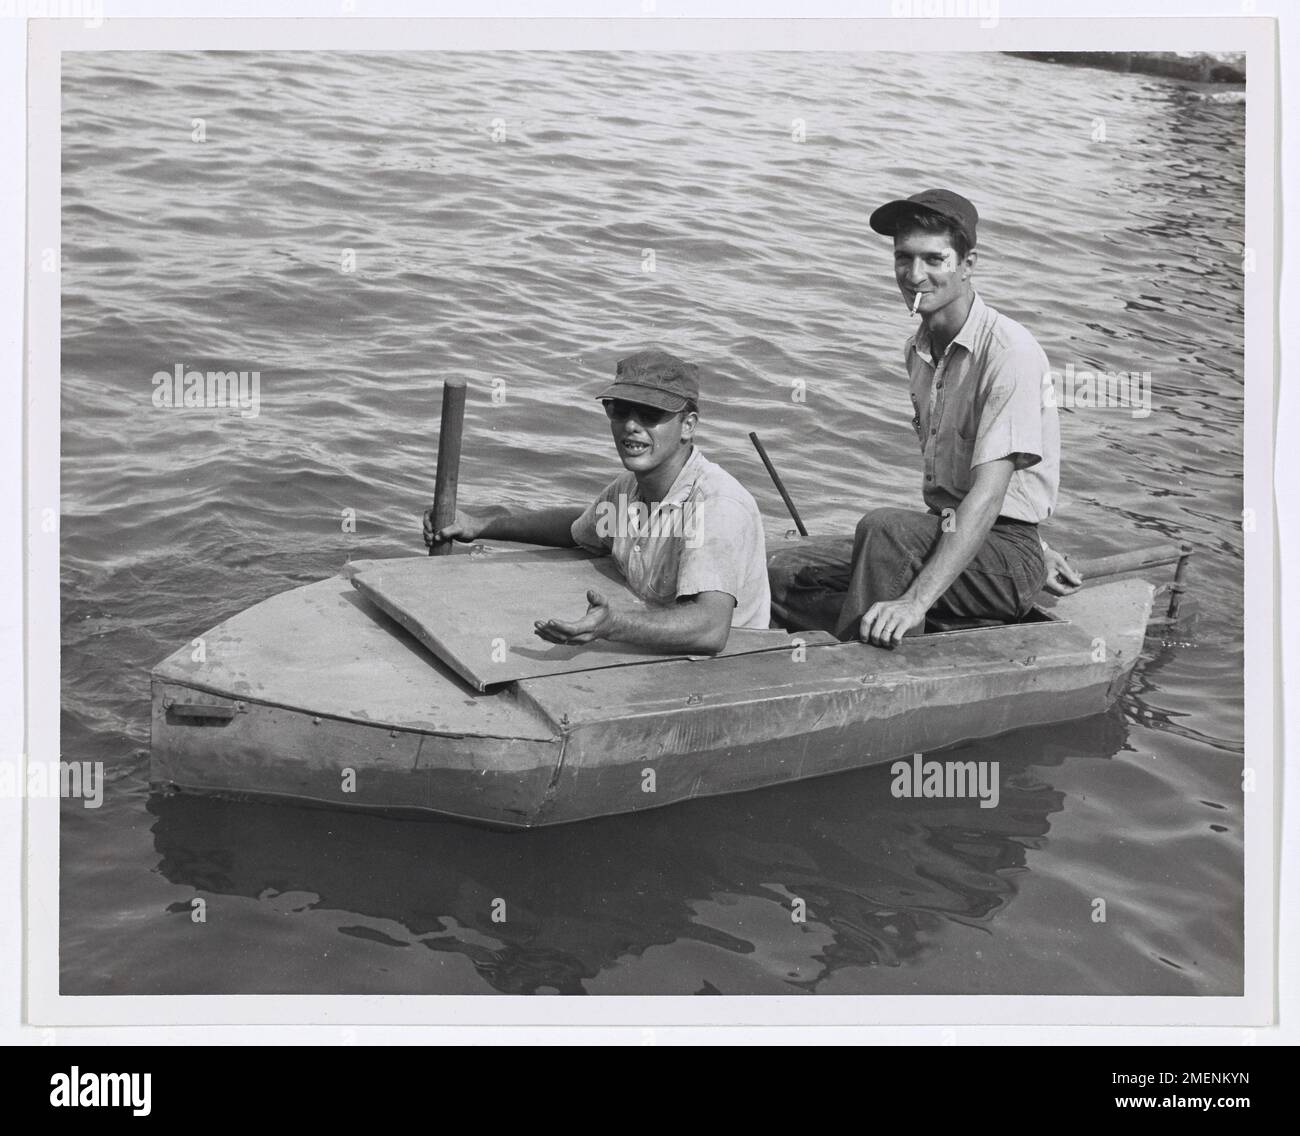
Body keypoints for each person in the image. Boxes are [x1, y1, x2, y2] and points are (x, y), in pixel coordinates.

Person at [768, 188, 1082, 647]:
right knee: (782, 573)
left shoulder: (1008, 353)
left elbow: (991, 497)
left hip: (1003, 552)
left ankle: (873, 666)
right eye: (903, 258)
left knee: (884, 531)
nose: (915, 276)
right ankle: (923, 633)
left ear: (967, 265)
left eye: (935, 260)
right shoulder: (919, 352)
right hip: (952, 533)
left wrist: (915, 599)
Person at [423, 348, 771, 654]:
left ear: (688, 425)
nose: (631, 426)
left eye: (650, 414)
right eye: (619, 410)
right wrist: (483, 523)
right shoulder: (629, 492)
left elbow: (710, 629)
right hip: (664, 649)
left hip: (731, 668)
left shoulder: (716, 507)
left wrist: (613, 626)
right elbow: (576, 531)